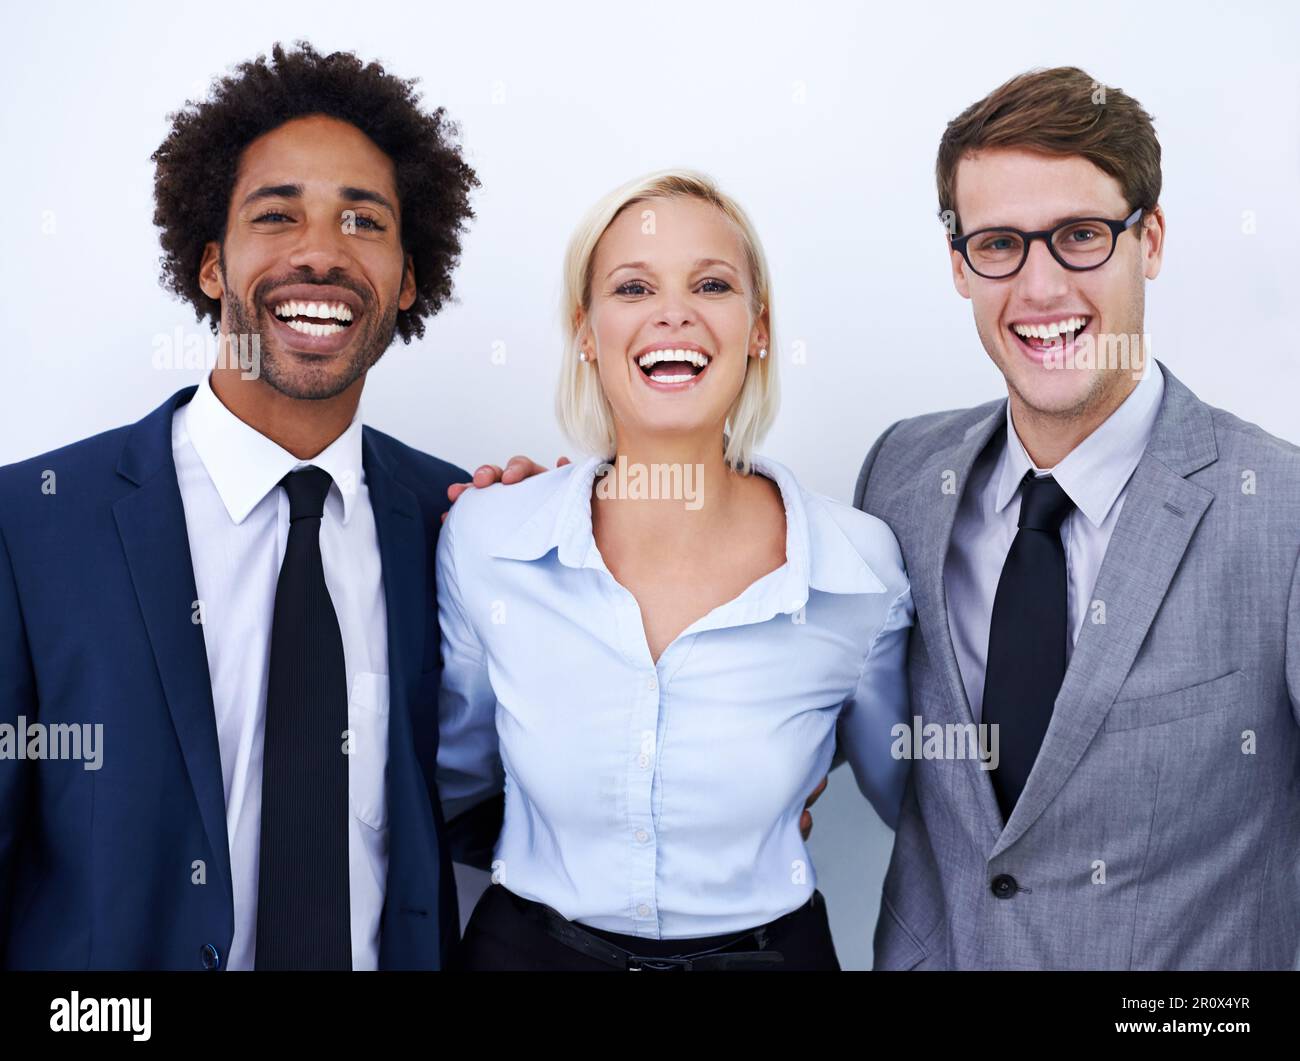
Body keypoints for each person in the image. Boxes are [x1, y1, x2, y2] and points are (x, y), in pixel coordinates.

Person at [0, 42, 496, 970]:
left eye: (364, 220)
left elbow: (506, 809)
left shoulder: (460, 522)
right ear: (212, 265)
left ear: (410, 277)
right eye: (277, 216)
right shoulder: (30, 526)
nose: (320, 251)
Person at [856, 66, 1300, 970]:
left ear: (1153, 240)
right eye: (1000, 245)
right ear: (958, 264)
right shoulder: (898, 475)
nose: (1042, 286)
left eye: (1081, 236)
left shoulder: (1281, 513)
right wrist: (562, 497)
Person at [435, 169, 914, 971]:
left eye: (712, 284)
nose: (673, 311)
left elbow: (924, 807)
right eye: (633, 285)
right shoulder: (489, 539)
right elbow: (446, 780)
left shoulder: (856, 566)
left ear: (759, 328)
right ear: (585, 331)